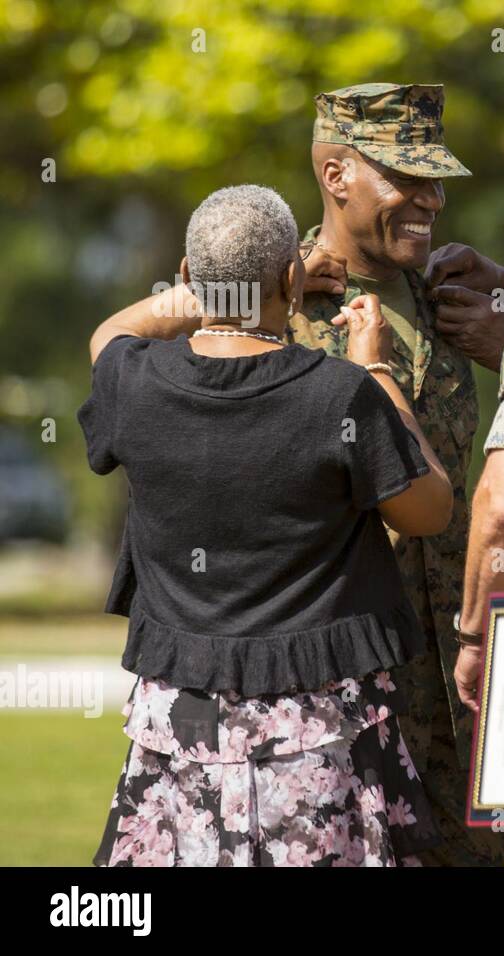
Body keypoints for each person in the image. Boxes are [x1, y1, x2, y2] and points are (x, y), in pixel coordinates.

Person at [78, 185, 452, 866]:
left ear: (188, 278)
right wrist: (375, 367)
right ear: (291, 279)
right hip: (318, 742)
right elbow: (430, 509)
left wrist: (224, 290)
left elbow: (110, 334)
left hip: (180, 736)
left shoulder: (134, 384)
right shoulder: (340, 393)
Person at [286, 83, 504, 865]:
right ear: (337, 177)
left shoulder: (453, 297)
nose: (431, 201)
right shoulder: (282, 305)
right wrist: (262, 285)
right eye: (406, 179)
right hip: (349, 670)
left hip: (463, 666)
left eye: (436, 181)